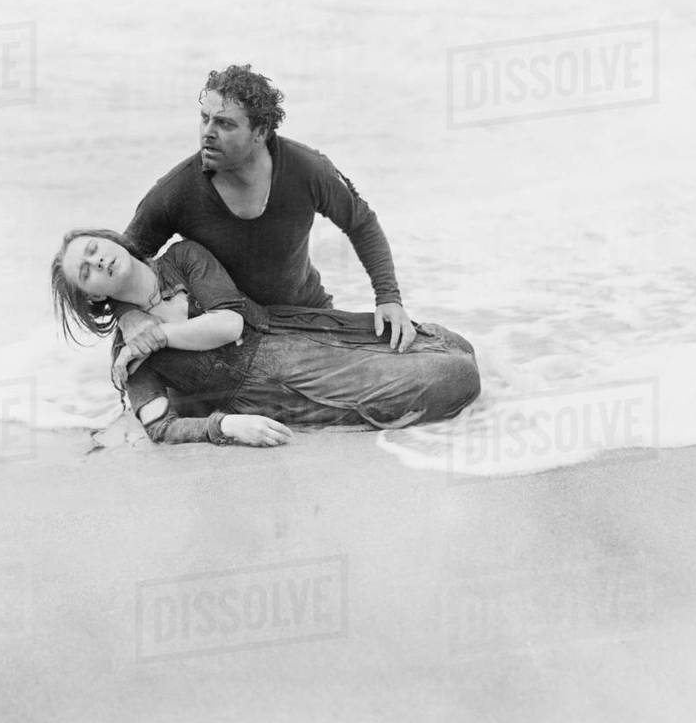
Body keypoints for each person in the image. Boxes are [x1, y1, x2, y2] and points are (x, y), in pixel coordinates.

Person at [52, 229, 481, 447]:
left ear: (109, 241)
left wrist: (159, 334)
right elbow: (161, 429)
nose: (97, 261)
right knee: (456, 376)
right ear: (92, 294)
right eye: (84, 271)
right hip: (273, 391)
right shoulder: (128, 354)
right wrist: (227, 425)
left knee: (452, 342)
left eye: (92, 248)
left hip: (289, 335)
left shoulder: (182, 259)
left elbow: (231, 324)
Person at [118, 65, 419, 357]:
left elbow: (361, 224)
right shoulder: (177, 190)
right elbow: (120, 259)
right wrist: (127, 315)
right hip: (228, 331)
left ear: (260, 132)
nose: (208, 133)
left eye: (225, 123)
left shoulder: (308, 169)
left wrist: (388, 298)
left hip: (306, 315)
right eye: (205, 118)